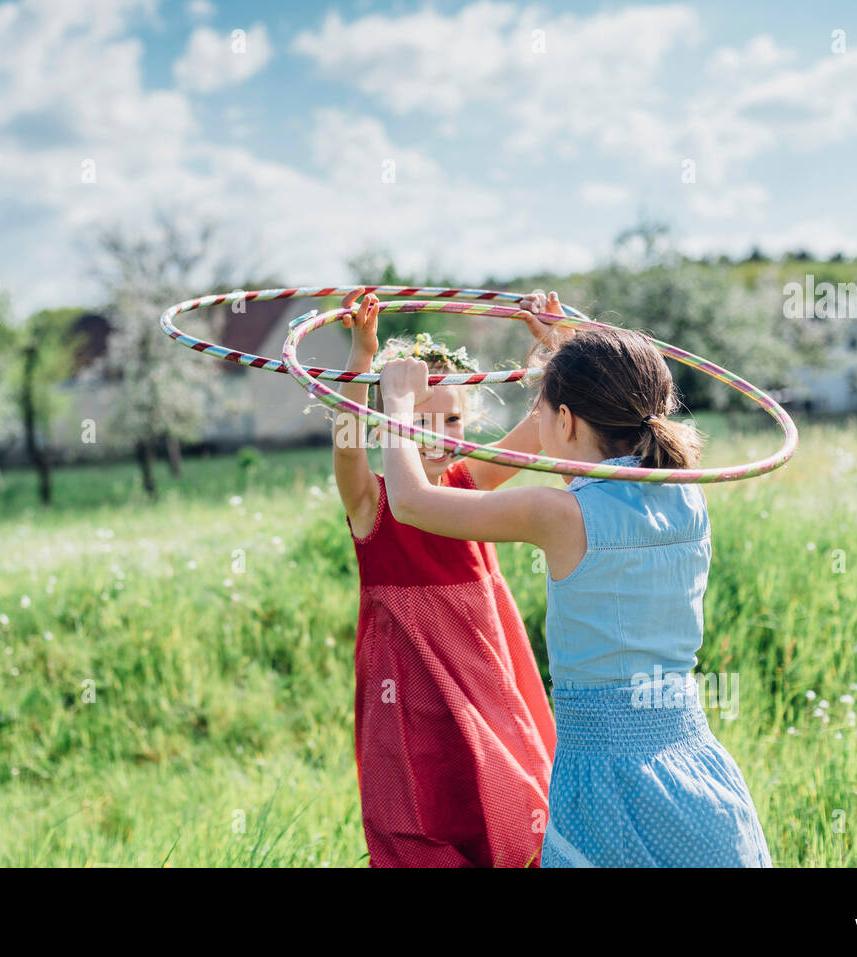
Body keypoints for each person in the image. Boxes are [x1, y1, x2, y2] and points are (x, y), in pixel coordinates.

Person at [376, 295, 773, 867]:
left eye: (541, 411)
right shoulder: (685, 490)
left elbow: (410, 504)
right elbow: (606, 420)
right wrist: (568, 356)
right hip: (691, 757)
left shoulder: (559, 515)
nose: (537, 422)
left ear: (564, 420)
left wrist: (397, 403)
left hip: (604, 772)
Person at [331, 287, 559, 867]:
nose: (437, 435)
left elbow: (539, 430)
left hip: (483, 666)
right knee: (420, 800)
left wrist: (554, 345)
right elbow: (347, 446)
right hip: (409, 683)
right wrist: (363, 358)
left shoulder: (468, 483)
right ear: (389, 422)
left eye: (452, 419)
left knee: (513, 780)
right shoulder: (371, 501)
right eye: (419, 420)